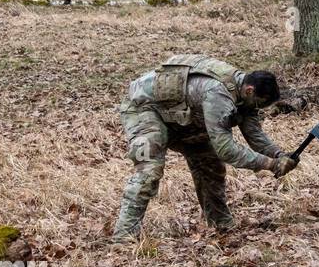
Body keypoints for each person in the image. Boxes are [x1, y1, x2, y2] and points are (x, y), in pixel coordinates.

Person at [114, 55, 295, 241]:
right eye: (260, 103)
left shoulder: (244, 95)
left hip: (184, 117)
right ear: (250, 90)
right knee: (149, 171)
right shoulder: (218, 93)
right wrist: (270, 164)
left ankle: (220, 224)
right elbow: (226, 150)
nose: (259, 108)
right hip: (145, 109)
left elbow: (254, 135)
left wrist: (279, 155)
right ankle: (123, 236)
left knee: (210, 165)